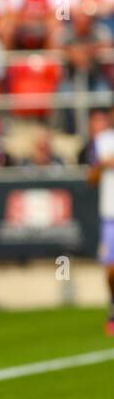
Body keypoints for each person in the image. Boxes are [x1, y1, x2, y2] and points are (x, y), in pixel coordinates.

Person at [86, 111, 114, 336]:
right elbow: (91, 179)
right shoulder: (103, 141)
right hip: (110, 214)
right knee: (110, 269)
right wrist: (103, 165)